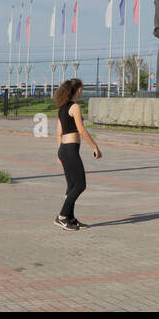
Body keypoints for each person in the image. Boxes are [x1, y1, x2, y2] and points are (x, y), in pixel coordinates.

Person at [54, 79, 101, 230]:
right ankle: (61, 216)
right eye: (82, 89)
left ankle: (70, 218)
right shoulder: (75, 107)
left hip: (64, 149)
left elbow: (59, 132)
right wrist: (95, 147)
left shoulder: (62, 108)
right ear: (78, 90)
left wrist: (59, 153)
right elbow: (81, 130)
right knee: (80, 185)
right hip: (70, 149)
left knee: (72, 186)